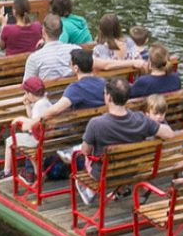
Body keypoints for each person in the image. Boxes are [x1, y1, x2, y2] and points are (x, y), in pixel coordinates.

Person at [72, 77, 175, 206]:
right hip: (131, 170)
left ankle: (90, 192)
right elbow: (170, 134)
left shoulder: (95, 123)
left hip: (104, 174)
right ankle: (121, 189)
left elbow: (85, 151)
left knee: (78, 156)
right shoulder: (141, 119)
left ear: (109, 97)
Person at [24, 14, 75, 84]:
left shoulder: (34, 58)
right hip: (71, 93)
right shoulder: (75, 50)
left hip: (46, 94)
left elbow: (27, 86)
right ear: (62, 31)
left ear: (43, 32)